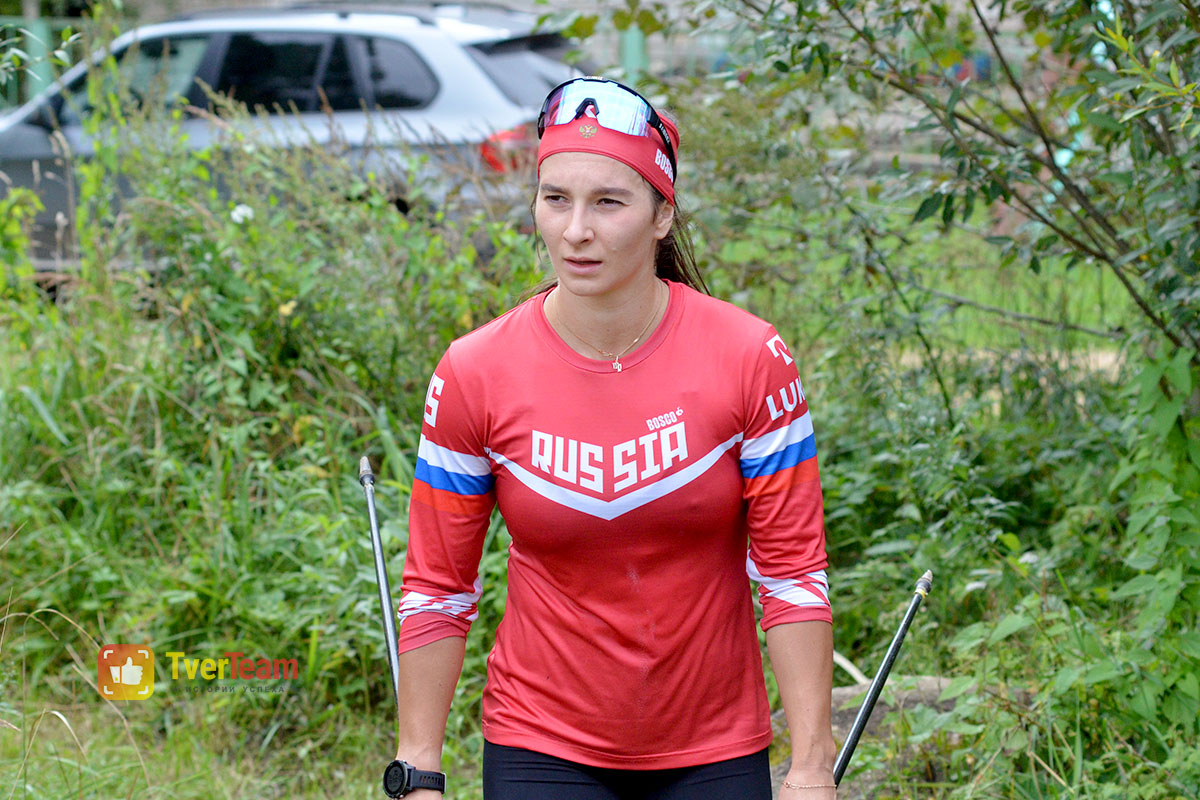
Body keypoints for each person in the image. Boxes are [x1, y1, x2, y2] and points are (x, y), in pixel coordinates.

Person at [388, 76, 835, 800]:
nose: (575, 231)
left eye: (608, 202)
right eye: (555, 198)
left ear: (663, 215)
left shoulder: (751, 357)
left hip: (715, 748)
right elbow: (439, 587)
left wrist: (811, 768)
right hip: (539, 744)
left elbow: (793, 576)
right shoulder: (475, 371)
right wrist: (418, 773)